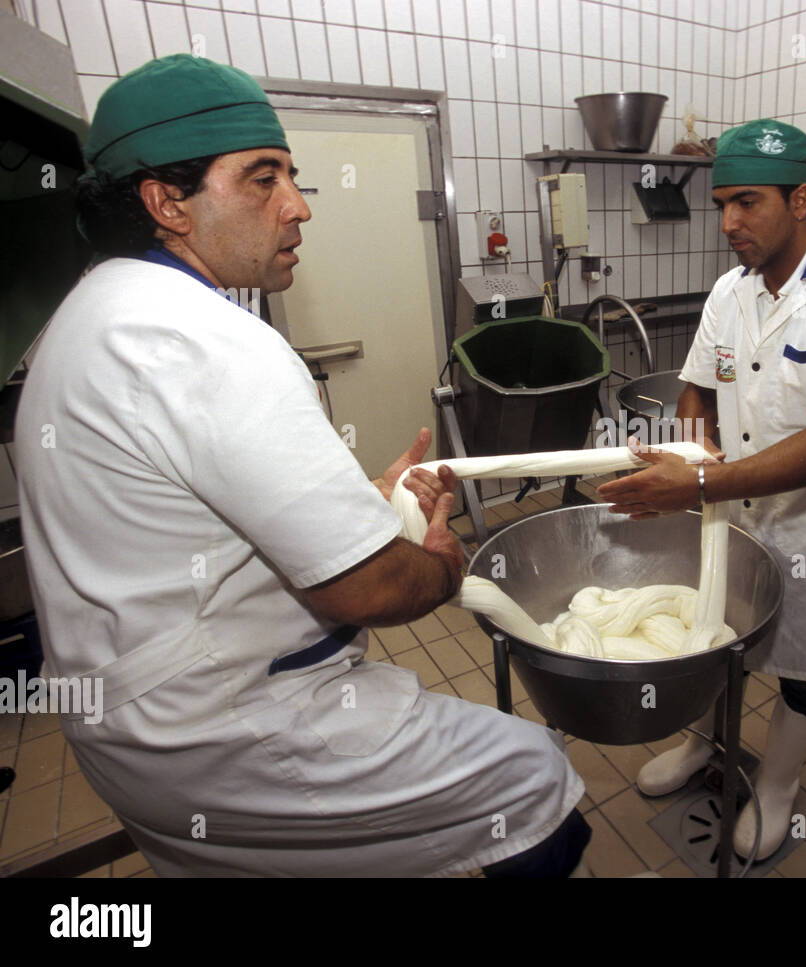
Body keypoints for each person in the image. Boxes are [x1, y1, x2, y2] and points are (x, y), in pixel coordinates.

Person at [14, 55, 589, 877]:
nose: (297, 207)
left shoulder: (89, 316)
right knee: (531, 784)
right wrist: (437, 564)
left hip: (131, 728)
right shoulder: (210, 340)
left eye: (294, 175)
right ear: (166, 201)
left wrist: (362, 505)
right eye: (262, 178)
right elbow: (367, 589)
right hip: (228, 727)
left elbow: (199, 513)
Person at [598, 119, 806, 861]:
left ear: (801, 199)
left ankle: (778, 786)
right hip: (734, 509)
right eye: (722, 204)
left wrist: (699, 479)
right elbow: (697, 386)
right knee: (719, 634)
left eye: (746, 203)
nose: (729, 222)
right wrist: (696, 441)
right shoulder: (730, 292)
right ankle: (706, 742)